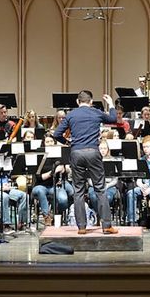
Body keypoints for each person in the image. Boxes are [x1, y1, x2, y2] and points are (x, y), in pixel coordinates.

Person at [52, 90, 119, 234]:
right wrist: (111, 104)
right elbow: (113, 118)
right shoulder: (95, 112)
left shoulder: (71, 115)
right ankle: (106, 225)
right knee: (100, 189)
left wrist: (68, 142)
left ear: (77, 102)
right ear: (91, 101)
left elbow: (56, 134)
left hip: (76, 153)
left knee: (78, 191)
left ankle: (81, 227)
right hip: (93, 152)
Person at [31, 135, 72, 226]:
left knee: (63, 200)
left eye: (51, 141)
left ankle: (57, 214)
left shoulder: (59, 155)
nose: (50, 143)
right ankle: (46, 216)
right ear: (44, 144)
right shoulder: (40, 157)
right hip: (41, 185)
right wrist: (53, 172)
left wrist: (65, 169)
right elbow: (39, 177)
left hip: (55, 185)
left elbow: (66, 173)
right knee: (40, 191)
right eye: (47, 142)